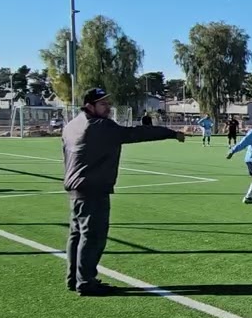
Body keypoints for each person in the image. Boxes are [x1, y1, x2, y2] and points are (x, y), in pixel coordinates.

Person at [62, 88, 185, 296]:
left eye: (108, 103)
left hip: (76, 187)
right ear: (89, 106)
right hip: (93, 188)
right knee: (93, 237)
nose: (108, 107)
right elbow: (135, 133)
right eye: (103, 104)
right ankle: (86, 282)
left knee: (77, 235)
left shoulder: (72, 125)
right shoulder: (99, 126)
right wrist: (170, 133)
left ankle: (74, 278)